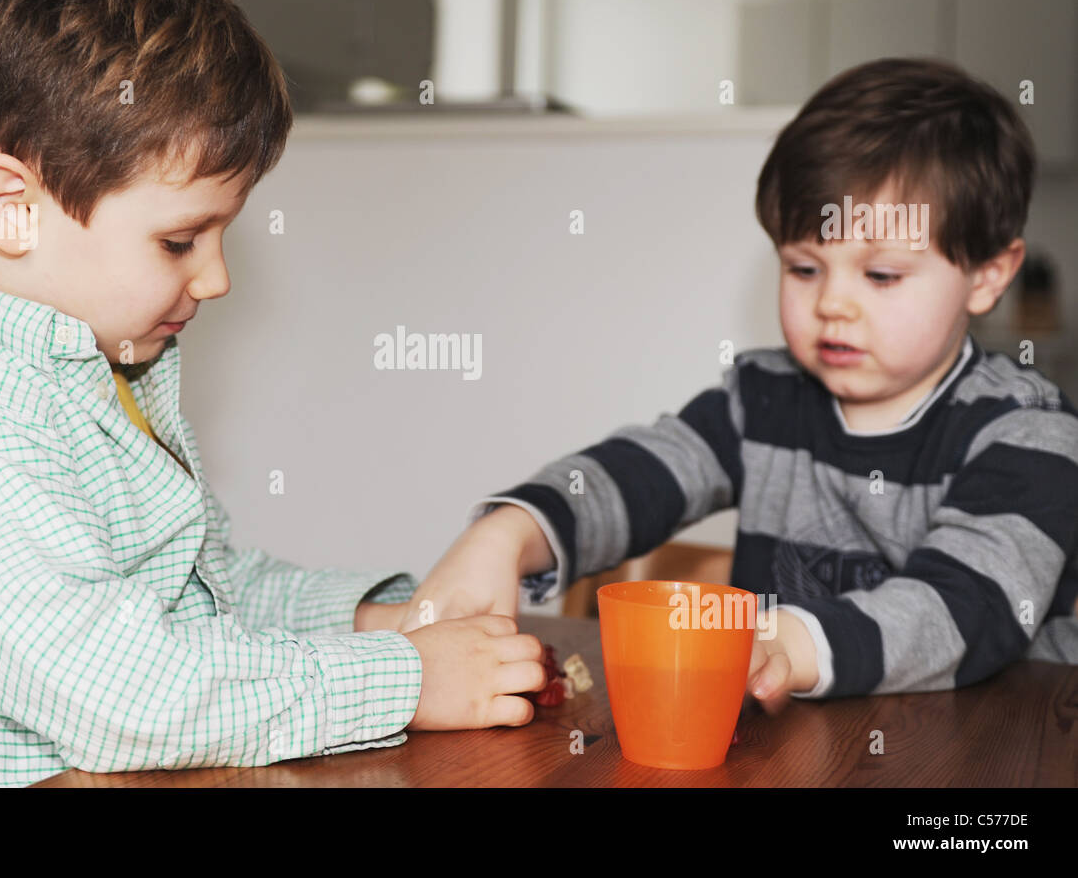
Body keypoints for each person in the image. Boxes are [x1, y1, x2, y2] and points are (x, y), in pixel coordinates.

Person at [0, 0, 544, 788]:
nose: (218, 277)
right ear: (9, 208)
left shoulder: (107, 376)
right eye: (181, 239)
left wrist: (380, 620)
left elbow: (208, 591)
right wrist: (407, 680)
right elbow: (125, 699)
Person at [402, 57, 1078, 712]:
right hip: (788, 750)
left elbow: (967, 607)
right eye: (804, 268)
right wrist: (511, 532)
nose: (832, 304)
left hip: (993, 743)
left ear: (989, 274)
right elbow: (639, 472)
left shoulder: (1030, 431)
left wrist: (789, 639)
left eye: (881, 276)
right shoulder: (762, 398)